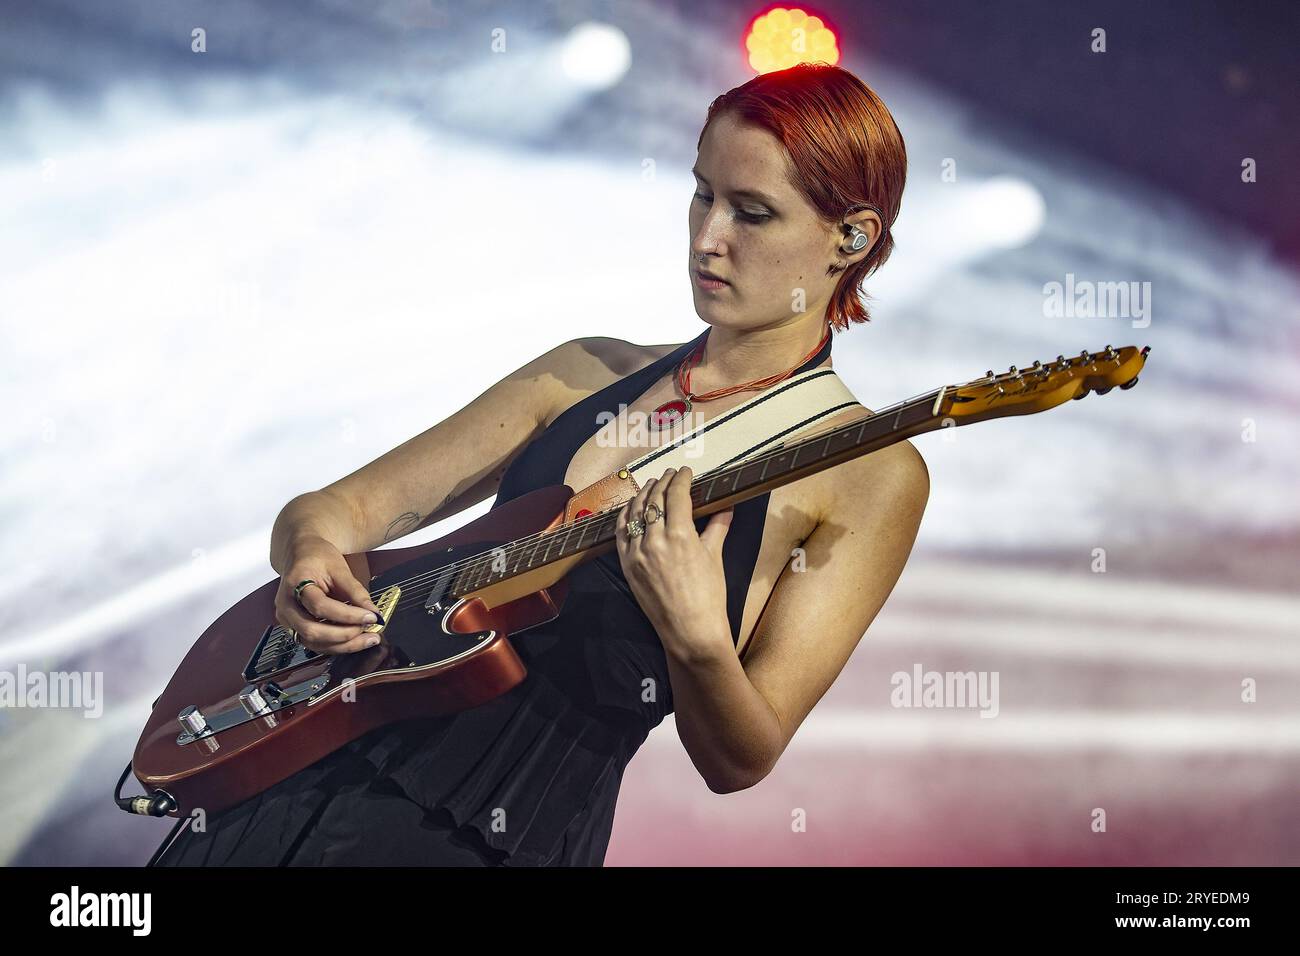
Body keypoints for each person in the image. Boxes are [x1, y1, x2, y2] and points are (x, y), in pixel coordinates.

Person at [151, 61, 927, 867]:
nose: (707, 238)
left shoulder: (870, 473)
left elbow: (739, 761)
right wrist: (312, 564)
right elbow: (331, 509)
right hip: (290, 788)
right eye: (703, 194)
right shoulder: (585, 368)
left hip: (486, 840)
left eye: (753, 213)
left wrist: (698, 639)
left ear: (853, 236)